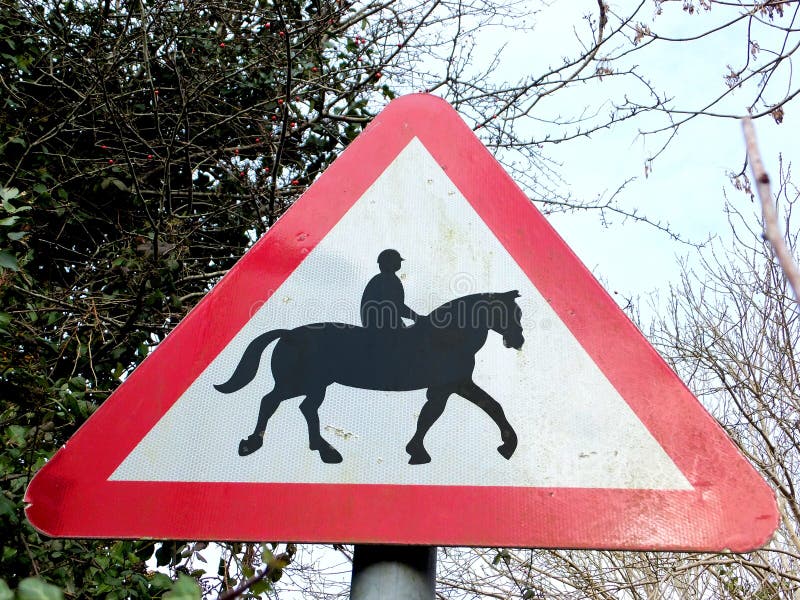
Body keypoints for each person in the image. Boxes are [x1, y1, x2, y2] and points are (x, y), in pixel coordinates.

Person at [360, 249, 420, 330]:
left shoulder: (382, 278)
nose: (399, 263)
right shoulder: (388, 279)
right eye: (397, 261)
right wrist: (416, 317)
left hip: (379, 322)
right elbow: (397, 306)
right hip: (382, 324)